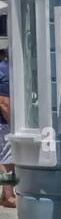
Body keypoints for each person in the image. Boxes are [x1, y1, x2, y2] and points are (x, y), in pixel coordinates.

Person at [0, 52, 14, 209]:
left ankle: (5, 195)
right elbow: (3, 102)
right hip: (4, 122)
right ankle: (9, 196)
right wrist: (13, 124)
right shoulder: (6, 72)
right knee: (6, 159)